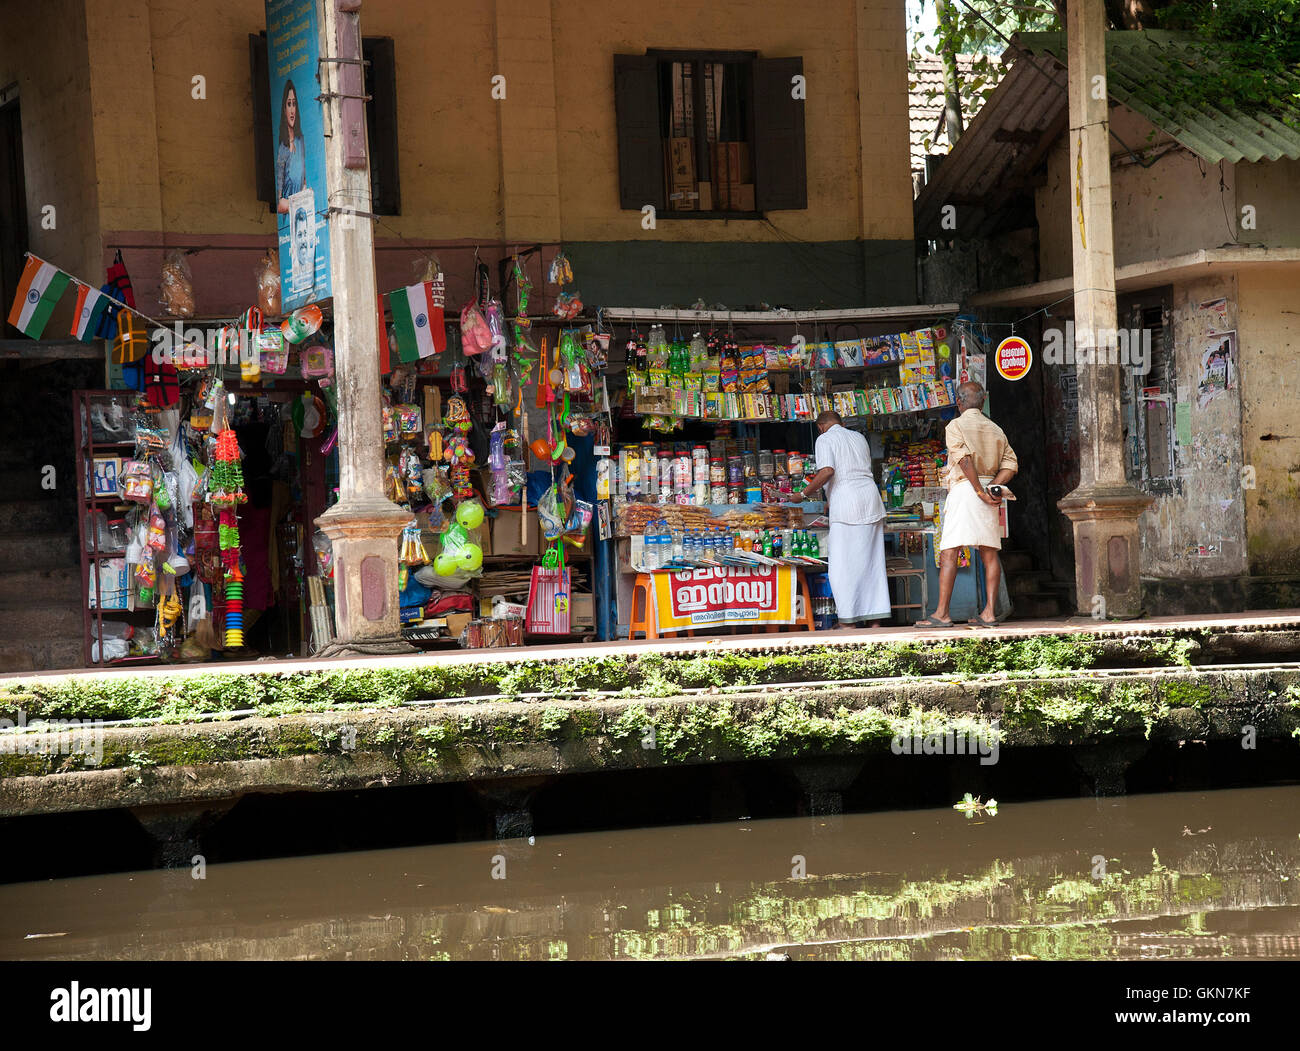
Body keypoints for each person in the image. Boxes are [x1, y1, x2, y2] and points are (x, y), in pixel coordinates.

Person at [916, 381, 1018, 629]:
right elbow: (1011, 465)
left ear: (959, 402)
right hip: (989, 491)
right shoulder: (995, 429)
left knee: (950, 550)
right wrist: (991, 487)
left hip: (965, 489)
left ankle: (942, 613)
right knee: (989, 552)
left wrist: (977, 490)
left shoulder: (956, 425)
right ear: (982, 402)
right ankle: (989, 613)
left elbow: (964, 460)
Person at [800, 410, 891, 628]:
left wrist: (803, 494)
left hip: (847, 505)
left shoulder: (824, 439)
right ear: (840, 422)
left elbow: (828, 471)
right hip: (870, 500)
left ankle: (847, 622)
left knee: (842, 566)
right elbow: (854, 470)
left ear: (820, 426)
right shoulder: (858, 437)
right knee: (872, 563)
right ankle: (875, 621)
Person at [275, 80, 306, 214]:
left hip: (303, 215)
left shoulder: (301, 142)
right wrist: (298, 203)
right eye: (289, 104)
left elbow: (305, 183)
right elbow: (280, 203)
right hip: (290, 220)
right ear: (284, 109)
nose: (292, 110)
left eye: (294, 104)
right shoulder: (282, 149)